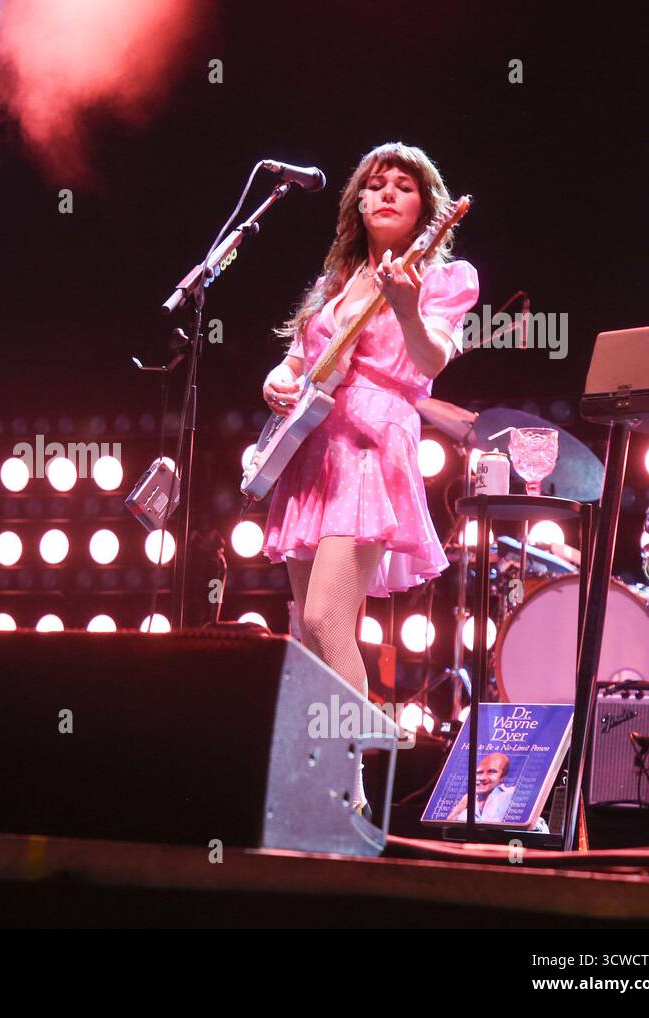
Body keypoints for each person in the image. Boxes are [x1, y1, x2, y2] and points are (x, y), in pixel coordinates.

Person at [261, 143, 479, 809]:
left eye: (403, 186)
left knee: (329, 614)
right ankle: (325, 786)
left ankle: (353, 784)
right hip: (312, 447)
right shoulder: (334, 285)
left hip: (372, 443)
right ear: (356, 203)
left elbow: (431, 357)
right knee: (309, 628)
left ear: (426, 209)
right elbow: (299, 364)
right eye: (375, 185)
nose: (387, 193)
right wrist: (277, 376)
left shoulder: (445, 278)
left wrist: (407, 309)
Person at [446, 752, 516, 823]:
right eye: (479, 772)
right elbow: (448, 826)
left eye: (491, 772)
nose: (482, 778)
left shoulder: (512, 794)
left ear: (502, 777)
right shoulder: (466, 800)